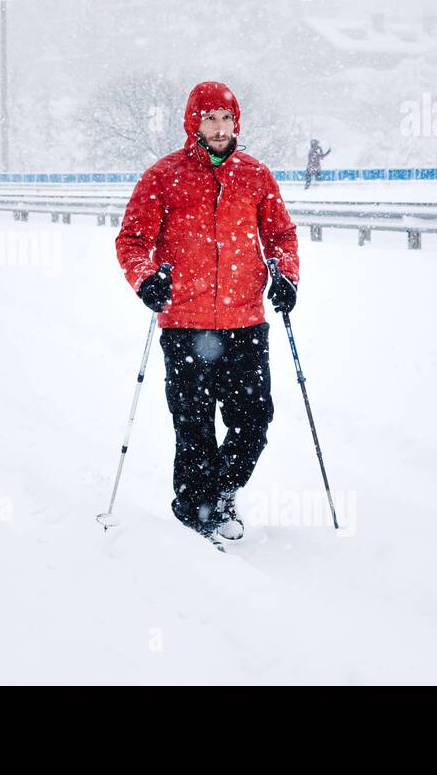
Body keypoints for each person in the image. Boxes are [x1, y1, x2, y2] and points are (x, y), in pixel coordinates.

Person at [115, 81, 299, 547]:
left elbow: (280, 237)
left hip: (244, 323)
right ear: (192, 123)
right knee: (193, 423)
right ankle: (196, 509)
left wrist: (286, 276)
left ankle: (218, 494)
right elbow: (132, 240)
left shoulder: (256, 177)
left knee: (254, 420)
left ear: (237, 123)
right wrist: (146, 278)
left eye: (226, 119)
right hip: (185, 323)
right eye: (210, 119)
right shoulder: (164, 176)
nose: (219, 128)